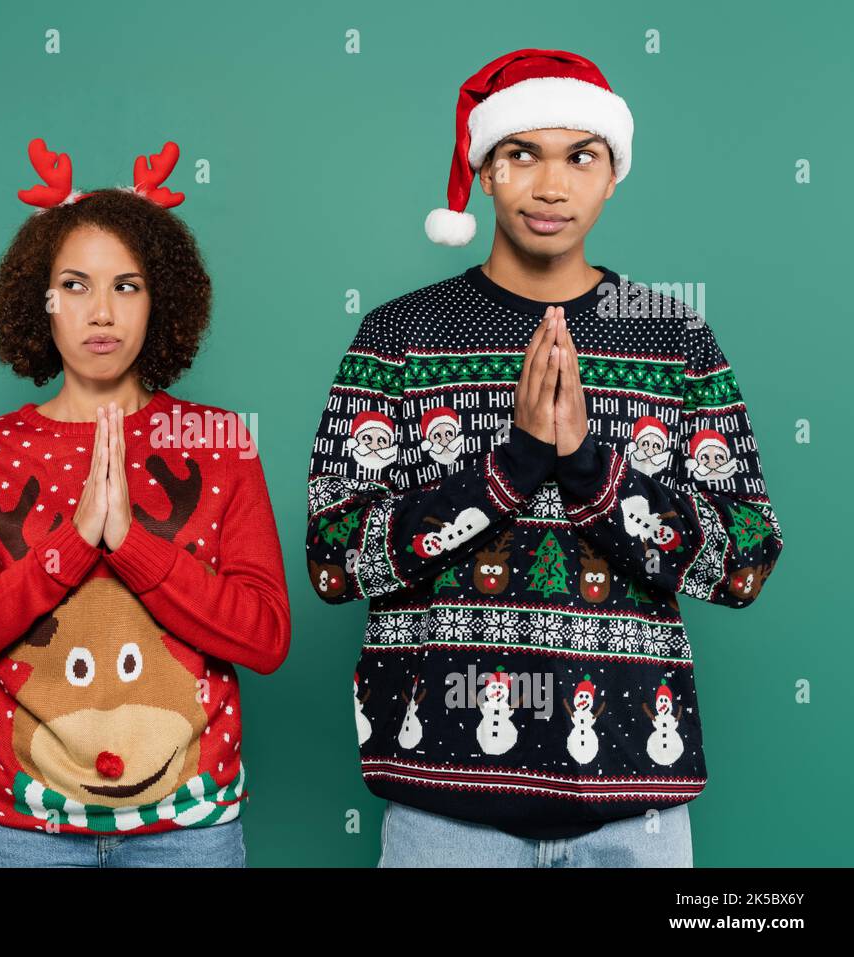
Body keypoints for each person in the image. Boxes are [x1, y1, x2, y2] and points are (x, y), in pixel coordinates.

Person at [305, 49, 784, 867]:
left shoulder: (673, 338)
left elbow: (745, 562)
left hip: (636, 810)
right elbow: (333, 562)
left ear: (612, 176)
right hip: (441, 806)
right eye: (521, 153)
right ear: (484, 172)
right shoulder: (398, 337)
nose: (551, 185)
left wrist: (593, 472)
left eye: (580, 157)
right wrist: (510, 468)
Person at [0, 138, 291, 868]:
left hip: (190, 831)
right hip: (18, 832)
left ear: (162, 300)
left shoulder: (220, 441)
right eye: (76, 285)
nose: (102, 312)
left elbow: (266, 637)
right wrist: (68, 548)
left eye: (128, 285)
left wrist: (133, 546)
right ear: (40, 303)